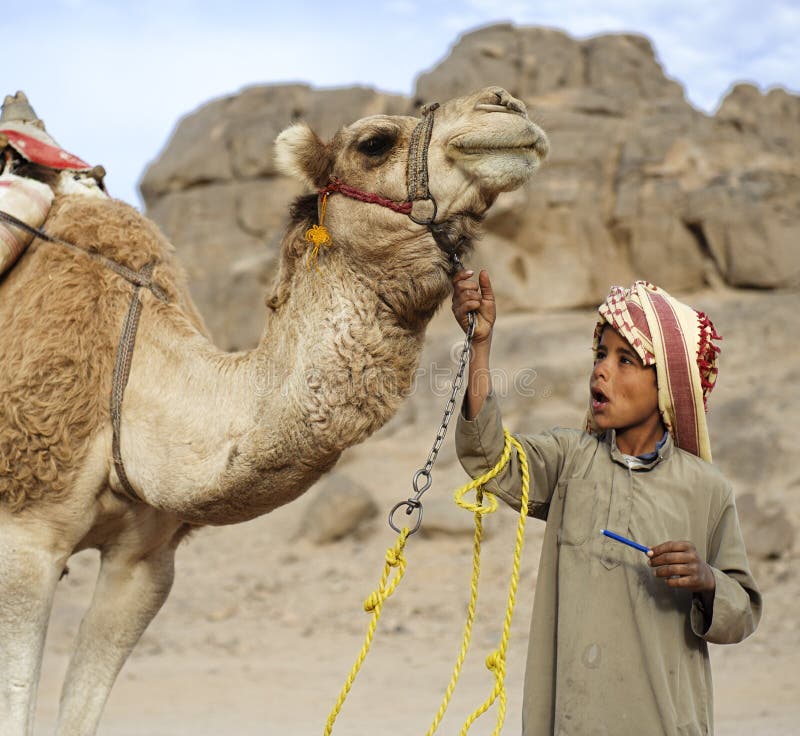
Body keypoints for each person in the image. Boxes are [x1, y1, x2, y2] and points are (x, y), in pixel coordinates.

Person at [451, 270, 761, 736]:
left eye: (625, 360)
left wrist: (706, 581)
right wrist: (480, 344)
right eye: (600, 355)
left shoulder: (706, 488)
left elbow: (743, 611)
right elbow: (489, 457)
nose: (601, 369)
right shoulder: (568, 460)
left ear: (668, 385)